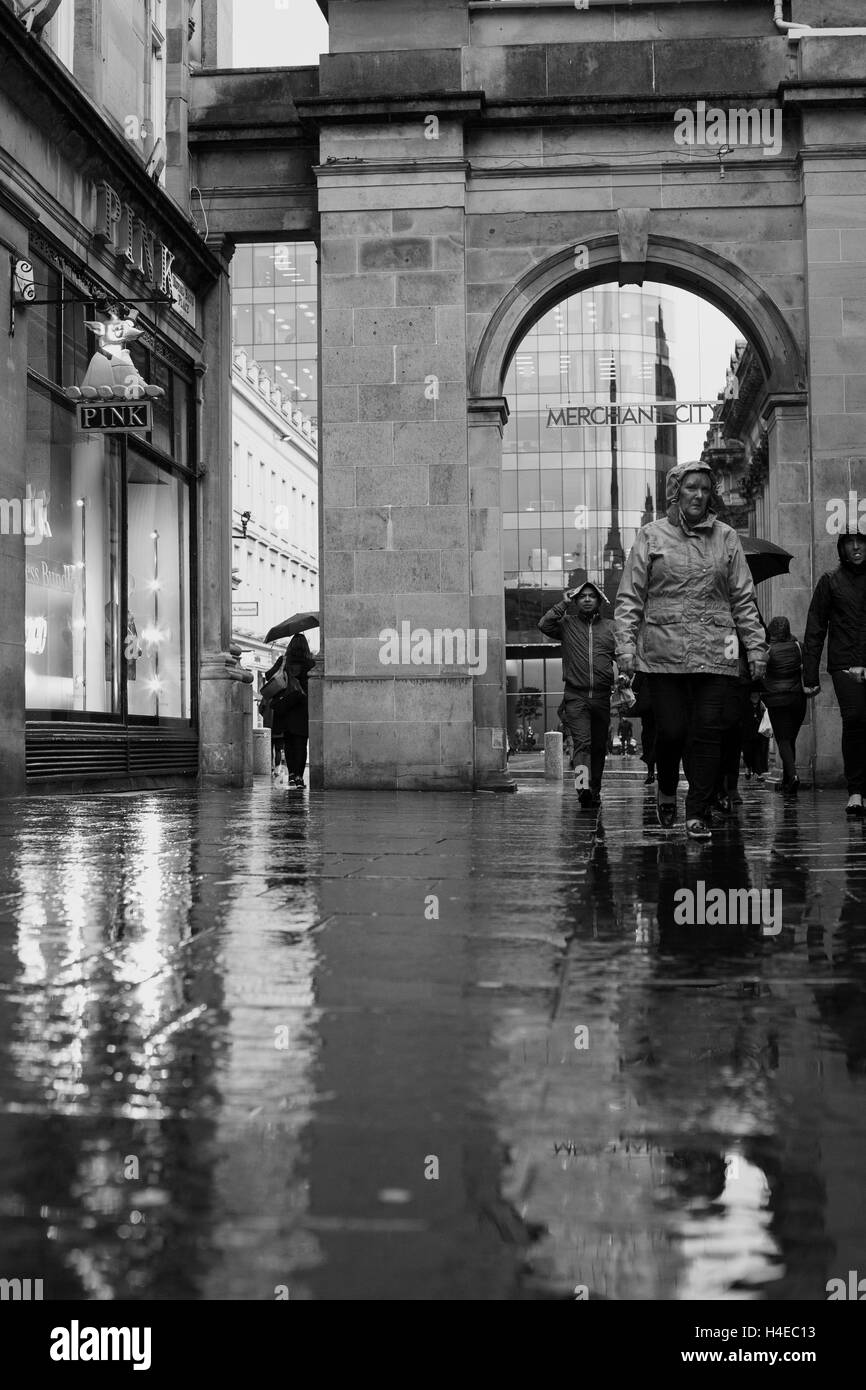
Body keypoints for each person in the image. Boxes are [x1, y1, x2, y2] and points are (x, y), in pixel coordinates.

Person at [615, 459, 768, 839]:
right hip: (664, 653)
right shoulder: (651, 536)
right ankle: (667, 787)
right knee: (670, 732)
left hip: (715, 653)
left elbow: (743, 600)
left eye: (704, 488)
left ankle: (697, 811)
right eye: (690, 488)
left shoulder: (727, 537)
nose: (698, 495)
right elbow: (629, 597)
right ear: (675, 492)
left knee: (708, 733)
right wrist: (625, 648)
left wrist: (756, 649)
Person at [539, 581, 618, 809]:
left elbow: (622, 655)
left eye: (591, 596)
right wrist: (563, 603)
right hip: (576, 696)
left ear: (599, 600)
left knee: (598, 747)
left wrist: (624, 675)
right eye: (581, 596)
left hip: (602, 697)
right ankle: (583, 789)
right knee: (582, 744)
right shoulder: (566, 624)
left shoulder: (611, 627)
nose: (586, 599)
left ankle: (595, 790)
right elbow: (544, 624)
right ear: (575, 600)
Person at [803, 532, 866, 816]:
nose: (856, 547)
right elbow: (816, 627)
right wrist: (810, 674)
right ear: (841, 547)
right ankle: (856, 790)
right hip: (844, 664)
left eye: (862, 541)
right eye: (850, 542)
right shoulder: (830, 581)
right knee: (854, 719)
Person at [761, 615, 807, 793]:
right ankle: (788, 779)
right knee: (791, 739)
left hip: (776, 700)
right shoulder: (798, 647)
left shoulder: (768, 649)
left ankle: (793, 776)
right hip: (797, 699)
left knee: (783, 739)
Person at [264, 632, 316, 789]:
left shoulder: (284, 661)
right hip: (302, 708)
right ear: (305, 646)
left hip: (285, 707)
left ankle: (292, 776)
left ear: (291, 645)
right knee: (301, 744)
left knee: (288, 744)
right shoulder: (310, 663)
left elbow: (268, 676)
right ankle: (299, 777)